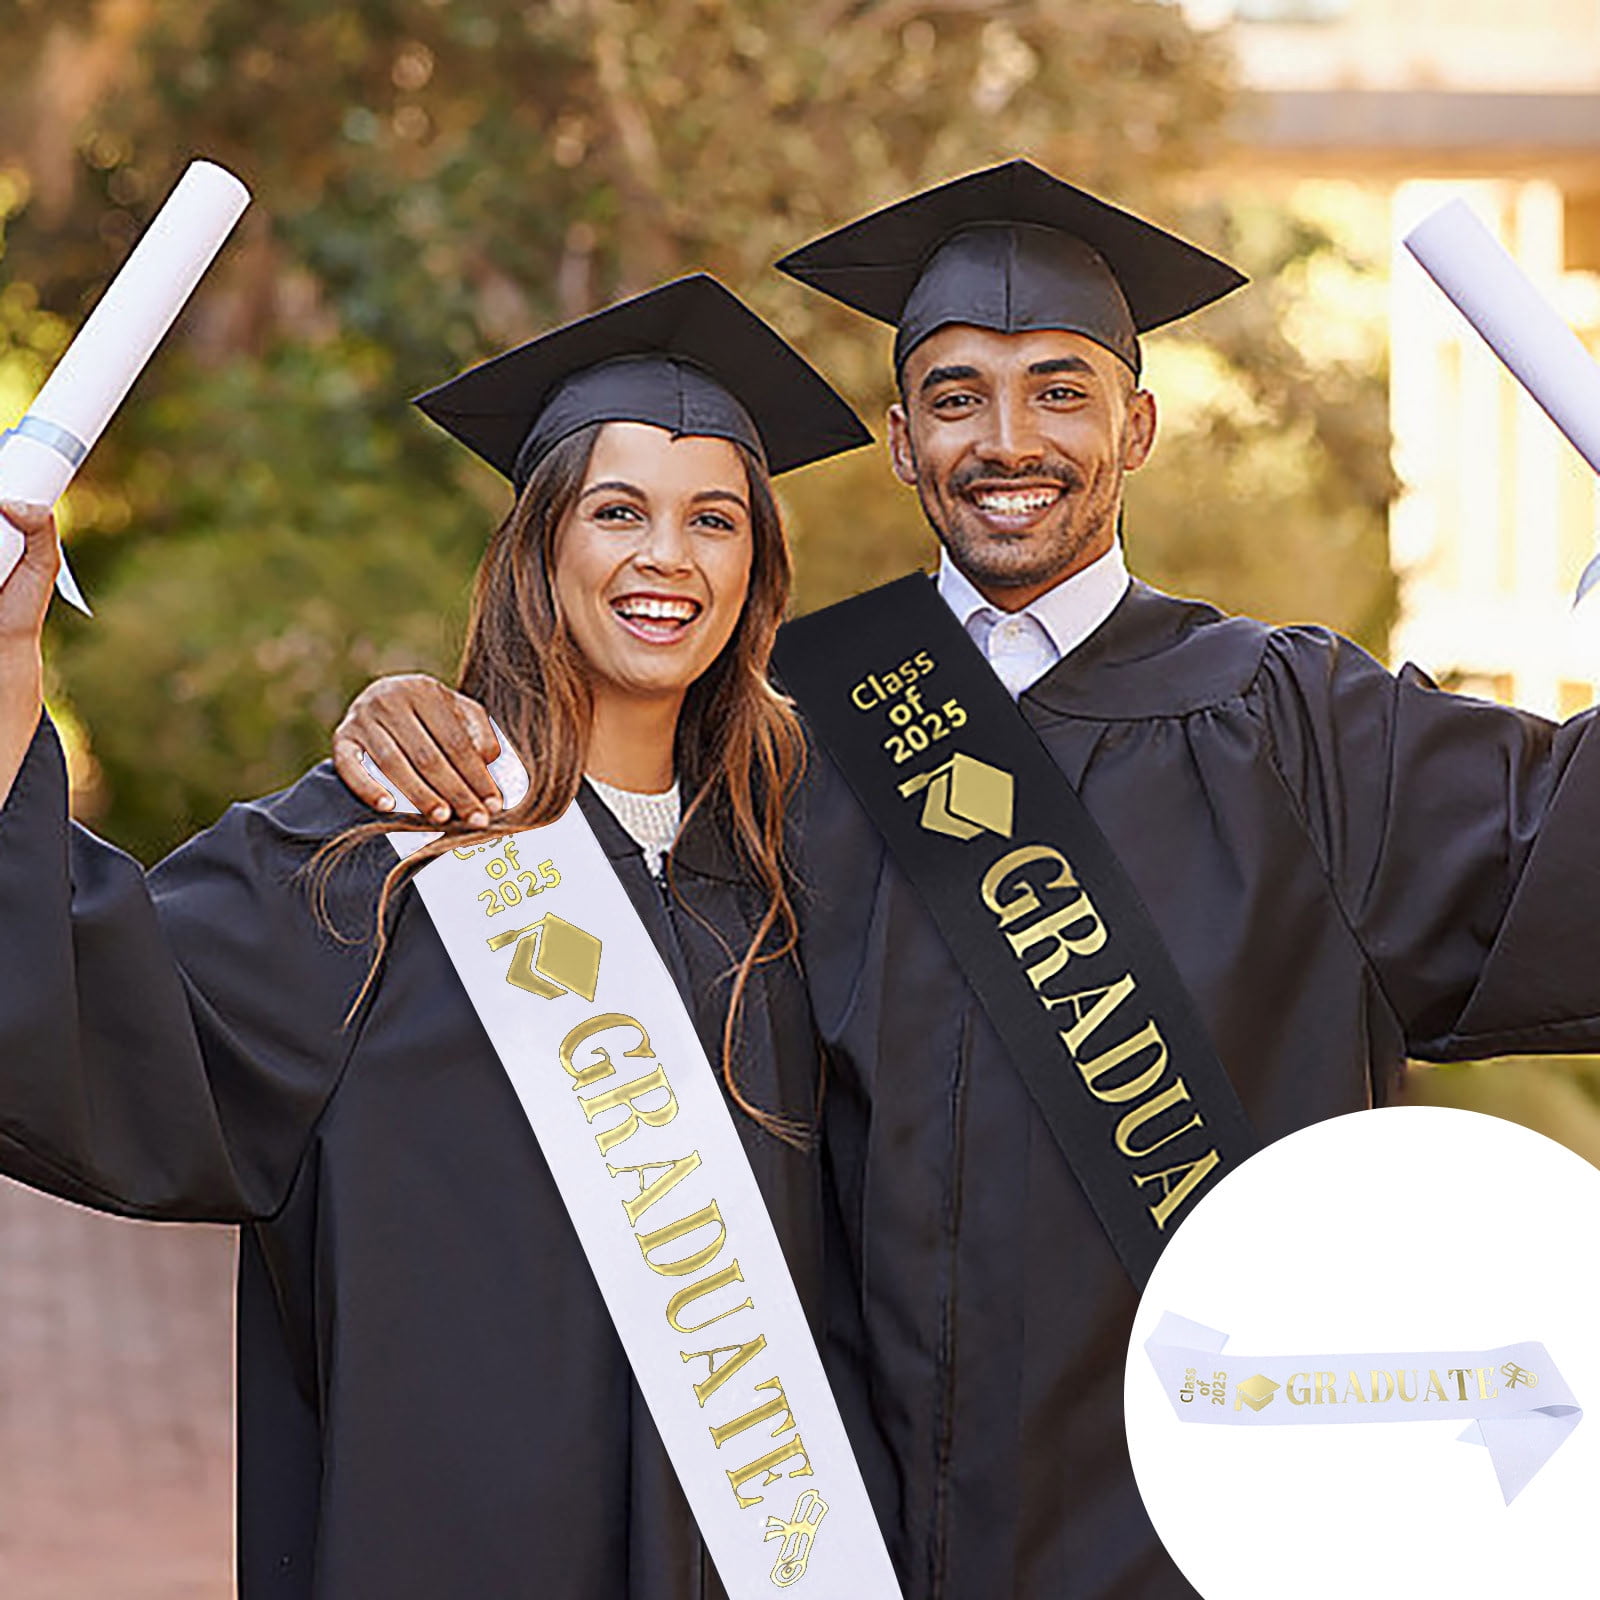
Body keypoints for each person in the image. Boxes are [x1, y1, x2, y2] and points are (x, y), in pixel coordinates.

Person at [330, 163, 1600, 1599]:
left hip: (1210, 1536)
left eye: (1060, 390)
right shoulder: (787, 746)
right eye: (955, 396)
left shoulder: (1295, 724)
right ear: (898, 440)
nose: (1009, 441)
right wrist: (407, 713)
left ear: (1138, 426)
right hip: (855, 1535)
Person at [0, 274, 885, 1599]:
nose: (668, 558)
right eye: (618, 511)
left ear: (756, 569)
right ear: (539, 549)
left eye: (714, 520)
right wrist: (12, 660)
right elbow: (101, 1006)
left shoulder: (797, 874)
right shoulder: (388, 845)